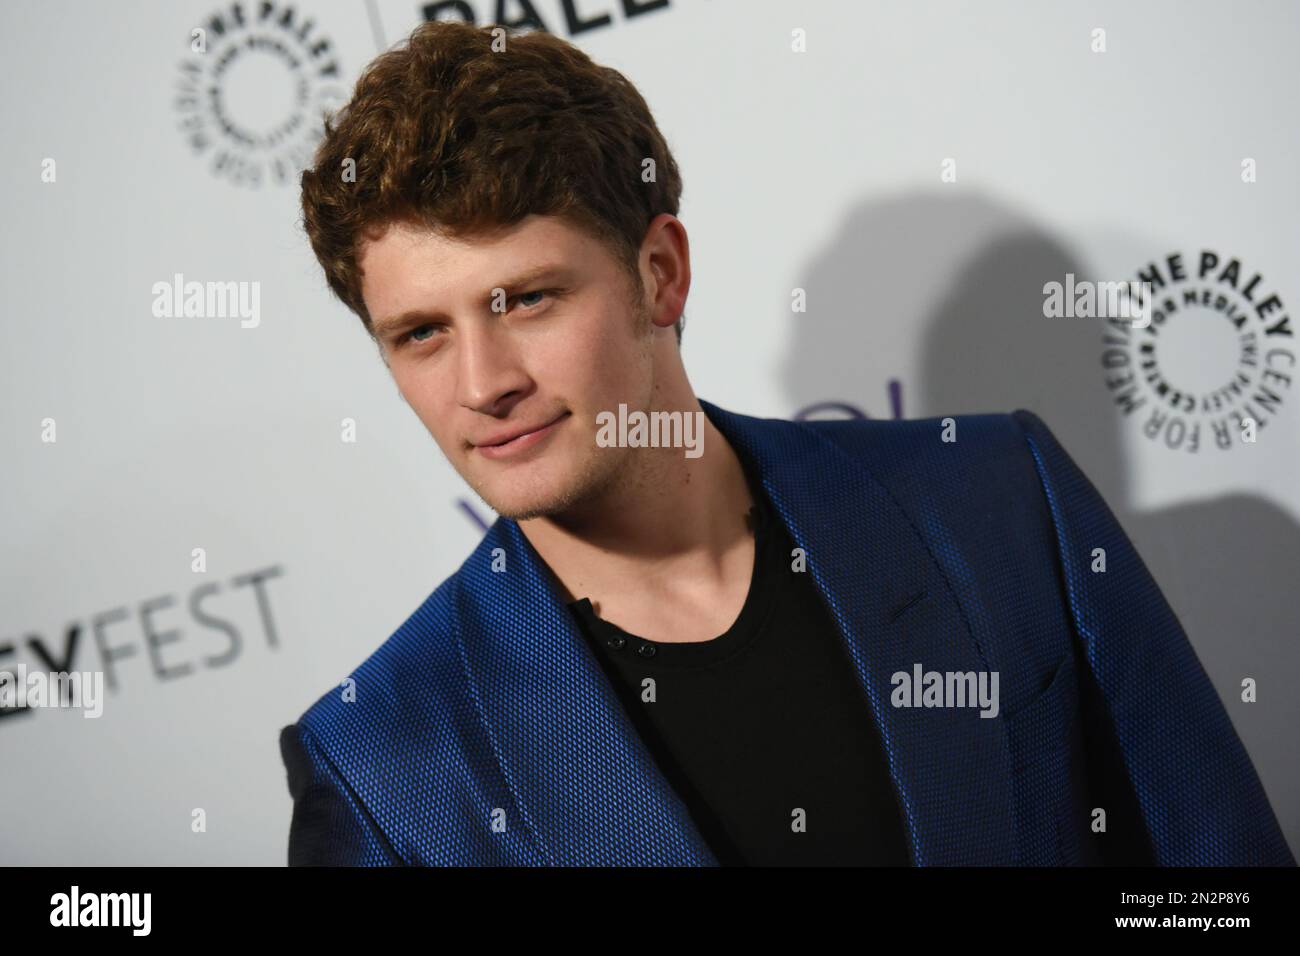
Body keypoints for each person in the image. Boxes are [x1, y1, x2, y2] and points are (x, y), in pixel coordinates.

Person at [278, 20, 1293, 866]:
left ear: (660, 272)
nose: (482, 382)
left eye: (528, 300)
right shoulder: (383, 764)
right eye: (421, 334)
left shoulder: (997, 503)